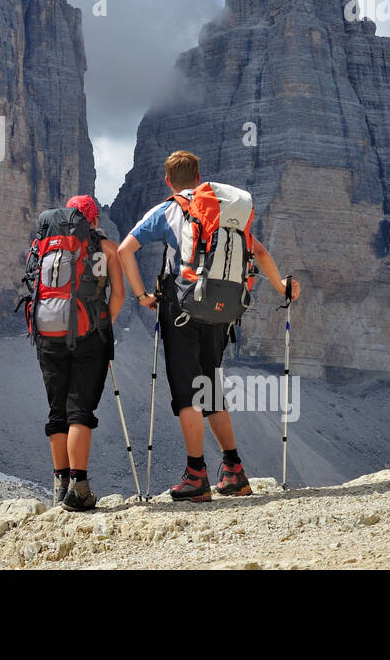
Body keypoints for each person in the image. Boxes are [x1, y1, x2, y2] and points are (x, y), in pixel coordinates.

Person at [117, 151, 300, 502]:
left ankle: (196, 475)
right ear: (200, 176)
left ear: (168, 180)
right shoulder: (221, 210)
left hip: (181, 307)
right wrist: (282, 287)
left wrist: (142, 296)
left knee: (187, 393)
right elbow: (258, 252)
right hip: (220, 308)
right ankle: (234, 472)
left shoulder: (167, 210)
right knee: (210, 386)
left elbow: (126, 249)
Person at [36, 194, 125, 511]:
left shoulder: (45, 246)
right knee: (80, 410)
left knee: (57, 409)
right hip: (89, 338)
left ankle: (60, 484)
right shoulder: (107, 249)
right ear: (94, 220)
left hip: (48, 334)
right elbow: (118, 297)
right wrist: (100, 325)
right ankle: (80, 487)